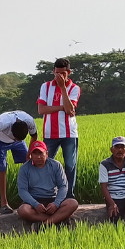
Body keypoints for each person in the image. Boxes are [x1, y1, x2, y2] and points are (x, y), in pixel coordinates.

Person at [38, 58, 81, 200]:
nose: (59, 77)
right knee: (46, 164)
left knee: (70, 165)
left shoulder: (74, 88)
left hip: (69, 133)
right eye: (57, 73)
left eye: (62, 74)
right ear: (53, 72)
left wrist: (63, 88)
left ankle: (69, 196)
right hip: (50, 133)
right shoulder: (46, 86)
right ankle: (48, 195)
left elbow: (70, 110)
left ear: (68, 72)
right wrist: (62, 107)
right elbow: (41, 110)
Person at [16, 141, 78, 228]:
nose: (38, 157)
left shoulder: (56, 165)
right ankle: (57, 220)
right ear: (31, 155)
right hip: (34, 200)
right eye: (35, 153)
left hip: (52, 198)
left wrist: (56, 204)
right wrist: (35, 204)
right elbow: (22, 190)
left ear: (47, 154)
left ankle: (45, 224)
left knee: (72, 203)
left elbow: (63, 186)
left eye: (41, 153)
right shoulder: (24, 169)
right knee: (23, 210)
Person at [0, 110, 39, 214]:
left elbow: (34, 136)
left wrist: (29, 153)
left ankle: (34, 198)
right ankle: (4, 204)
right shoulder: (2, 124)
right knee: (2, 167)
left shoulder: (29, 121)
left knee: (30, 163)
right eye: (16, 138)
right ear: (11, 131)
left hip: (17, 141)